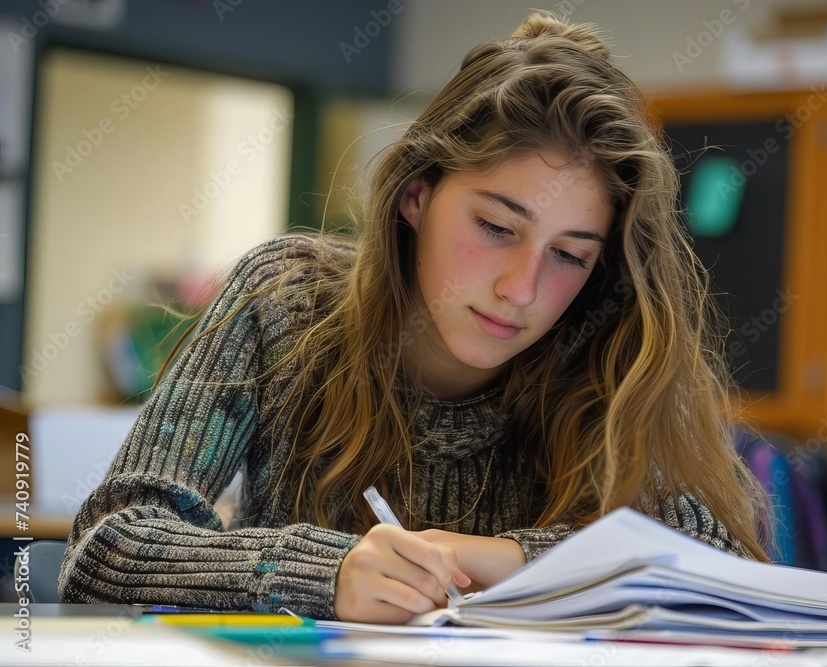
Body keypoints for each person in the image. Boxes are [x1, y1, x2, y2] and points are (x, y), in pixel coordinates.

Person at [58, 12, 771, 623]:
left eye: (570, 255)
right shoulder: (282, 301)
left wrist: (483, 555)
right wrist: (326, 573)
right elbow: (110, 545)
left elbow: (719, 564)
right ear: (416, 197)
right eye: (496, 226)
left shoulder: (603, 341)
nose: (522, 288)